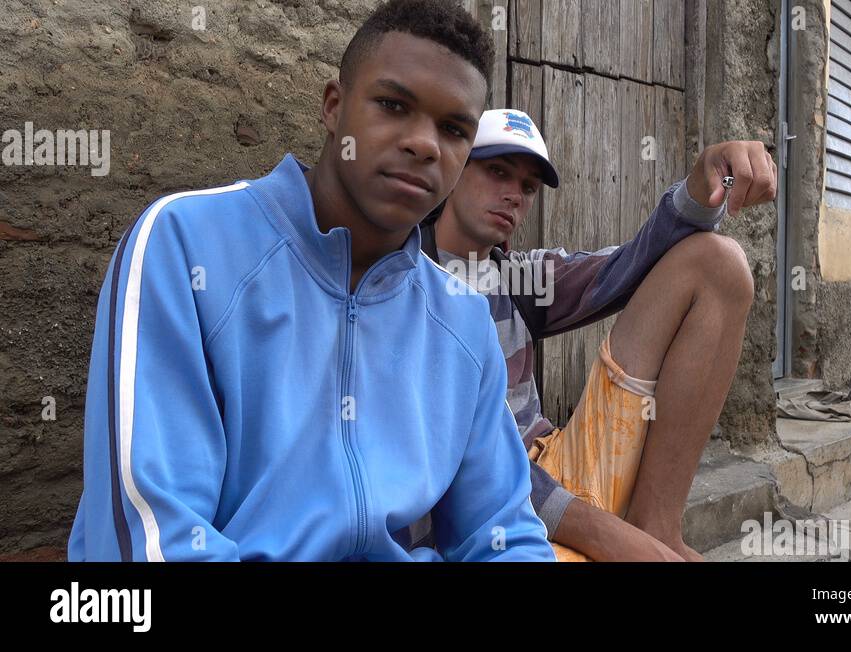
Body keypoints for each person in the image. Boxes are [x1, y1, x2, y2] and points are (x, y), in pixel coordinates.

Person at [68, 0, 555, 562]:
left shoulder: (462, 322)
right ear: (334, 107)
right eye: (393, 105)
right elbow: (156, 540)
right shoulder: (185, 245)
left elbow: (504, 532)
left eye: (452, 129)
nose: (425, 144)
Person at [422, 108, 776, 561]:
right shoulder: (403, 285)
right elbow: (461, 471)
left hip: (557, 466)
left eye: (528, 187)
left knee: (719, 263)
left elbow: (628, 266)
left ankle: (660, 528)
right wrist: (607, 536)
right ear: (454, 168)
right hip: (489, 511)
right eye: (497, 172)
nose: (514, 195)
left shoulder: (519, 279)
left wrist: (698, 190)